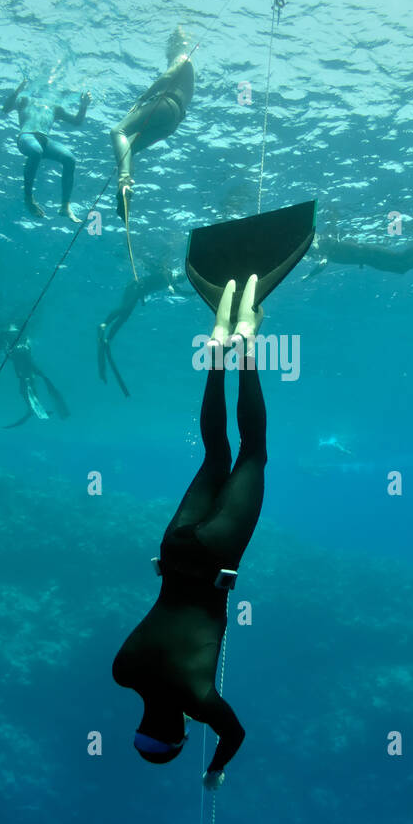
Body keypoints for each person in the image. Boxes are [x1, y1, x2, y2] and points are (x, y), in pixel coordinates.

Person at [112, 276, 266, 786]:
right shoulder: (123, 670)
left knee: (252, 452)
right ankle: (219, 347)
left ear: (178, 732)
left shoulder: (199, 702)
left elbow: (235, 735)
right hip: (173, 550)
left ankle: (246, 344)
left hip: (214, 560)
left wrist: (214, 770)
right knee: (215, 453)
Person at [109, 26, 194, 221]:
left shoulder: (182, 57)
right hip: (173, 122)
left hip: (167, 104)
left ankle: (123, 181)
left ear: (173, 46)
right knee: (127, 149)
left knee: (117, 131)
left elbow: (167, 77)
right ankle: (126, 191)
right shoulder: (190, 72)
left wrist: (142, 98)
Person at [2, 77, 91, 222]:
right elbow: (6, 109)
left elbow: (77, 121)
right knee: (36, 152)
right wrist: (19, 89)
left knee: (70, 159)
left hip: (45, 140)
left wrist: (84, 105)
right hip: (26, 136)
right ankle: (28, 198)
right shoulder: (25, 100)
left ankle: (65, 206)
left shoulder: (55, 107)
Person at [98, 266, 190, 396]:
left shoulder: (172, 281)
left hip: (139, 291)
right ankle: (104, 324)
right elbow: (164, 274)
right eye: (178, 280)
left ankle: (109, 338)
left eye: (178, 282)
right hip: (135, 287)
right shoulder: (168, 274)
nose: (177, 282)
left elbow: (180, 291)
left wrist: (194, 294)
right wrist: (169, 284)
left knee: (125, 317)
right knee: (125, 308)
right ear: (178, 276)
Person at [1, 324, 70, 427]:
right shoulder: (21, 344)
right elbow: (20, 356)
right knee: (25, 389)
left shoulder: (20, 345)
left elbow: (21, 357)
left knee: (26, 388)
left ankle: (31, 409)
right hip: (25, 371)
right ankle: (31, 409)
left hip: (26, 371)